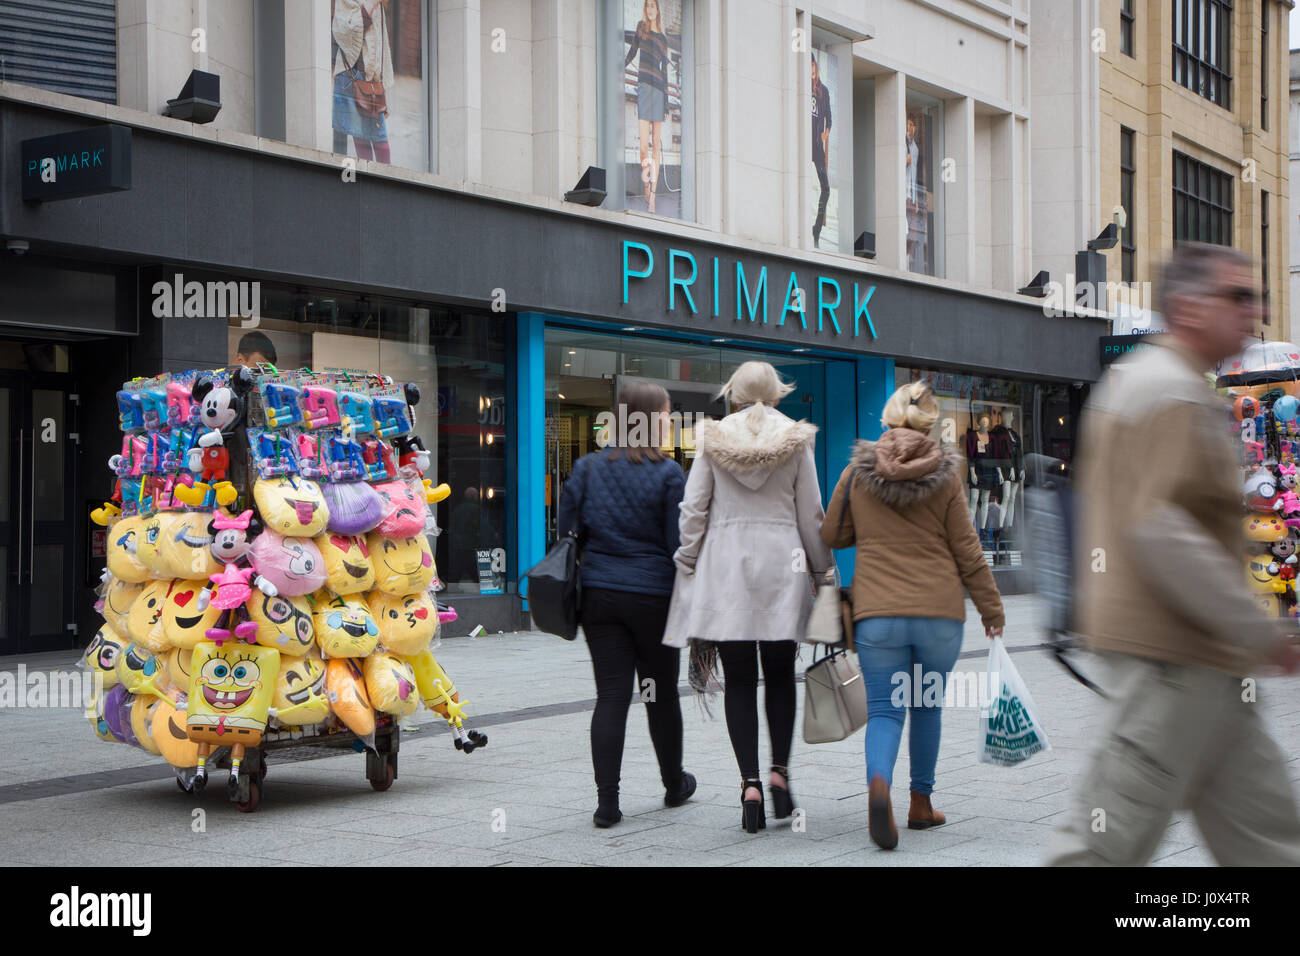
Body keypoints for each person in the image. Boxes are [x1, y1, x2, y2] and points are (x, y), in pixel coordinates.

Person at [1046, 243, 1300, 866]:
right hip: (1171, 664)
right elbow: (1161, 528)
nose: (1255, 310)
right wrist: (1255, 628)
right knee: (1099, 851)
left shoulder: (1160, 382)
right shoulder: (1170, 393)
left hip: (1204, 665)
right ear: (1187, 307)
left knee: (1270, 842)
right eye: (1238, 296)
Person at [822, 380, 1004, 850]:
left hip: (878, 613)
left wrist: (870, 528)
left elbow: (831, 533)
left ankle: (878, 784)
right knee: (926, 707)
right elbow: (968, 549)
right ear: (930, 423)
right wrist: (992, 608)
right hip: (938, 614)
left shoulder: (858, 472)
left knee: (885, 711)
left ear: (887, 417)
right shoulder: (945, 475)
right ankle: (920, 804)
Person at [666, 361, 832, 833]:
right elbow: (812, 513)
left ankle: (751, 785)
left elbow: (693, 509)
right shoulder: (797, 440)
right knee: (781, 674)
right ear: (778, 394)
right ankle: (781, 772)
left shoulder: (714, 440)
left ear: (734, 395)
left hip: (727, 567)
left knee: (739, 679)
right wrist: (821, 571)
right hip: (785, 565)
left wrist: (688, 560)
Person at [558, 381, 695, 828]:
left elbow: (566, 533)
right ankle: (674, 784)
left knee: (611, 696)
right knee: (661, 696)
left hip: (599, 596)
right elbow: (679, 545)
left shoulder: (586, 468)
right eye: (667, 413)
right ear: (652, 418)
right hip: (654, 598)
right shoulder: (669, 473)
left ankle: (607, 803)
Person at [332, 0, 395, 164]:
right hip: (350, 77)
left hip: (371, 82)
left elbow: (381, 49)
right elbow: (345, 33)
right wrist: (372, 4)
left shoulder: (379, 6)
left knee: (382, 146)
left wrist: (382, 92)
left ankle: (383, 186)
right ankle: (366, 186)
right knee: (362, 143)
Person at [625, 0, 670, 213]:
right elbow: (632, 52)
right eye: (648, 5)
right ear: (646, 9)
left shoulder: (663, 39)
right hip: (644, 88)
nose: (651, 9)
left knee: (655, 145)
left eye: (654, 5)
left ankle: (652, 196)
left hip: (659, 91)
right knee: (644, 148)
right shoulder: (640, 28)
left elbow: (665, 72)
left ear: (658, 9)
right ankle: (646, 184)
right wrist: (620, 66)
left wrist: (667, 105)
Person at [810, 55, 832, 248]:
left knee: (826, 188)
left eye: (812, 65)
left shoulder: (823, 91)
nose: (811, 69)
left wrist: (825, 133)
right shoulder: (802, 87)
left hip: (816, 146)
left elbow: (829, 119)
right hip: (802, 143)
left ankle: (816, 230)